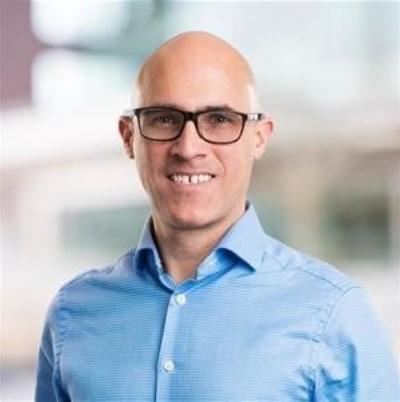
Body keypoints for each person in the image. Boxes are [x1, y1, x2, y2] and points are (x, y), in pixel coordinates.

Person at [35, 31, 399, 402]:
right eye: (164, 119)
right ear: (129, 137)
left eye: (219, 119)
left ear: (259, 138)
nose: (188, 148)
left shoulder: (333, 314)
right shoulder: (72, 313)